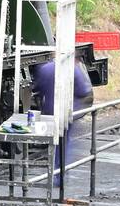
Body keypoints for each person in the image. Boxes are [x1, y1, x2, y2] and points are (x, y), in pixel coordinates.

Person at [31, 57, 94, 192]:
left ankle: (54, 173)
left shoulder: (45, 69)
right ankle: (60, 176)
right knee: (65, 144)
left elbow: (37, 88)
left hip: (49, 111)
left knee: (54, 144)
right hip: (67, 112)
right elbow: (83, 92)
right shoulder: (74, 70)